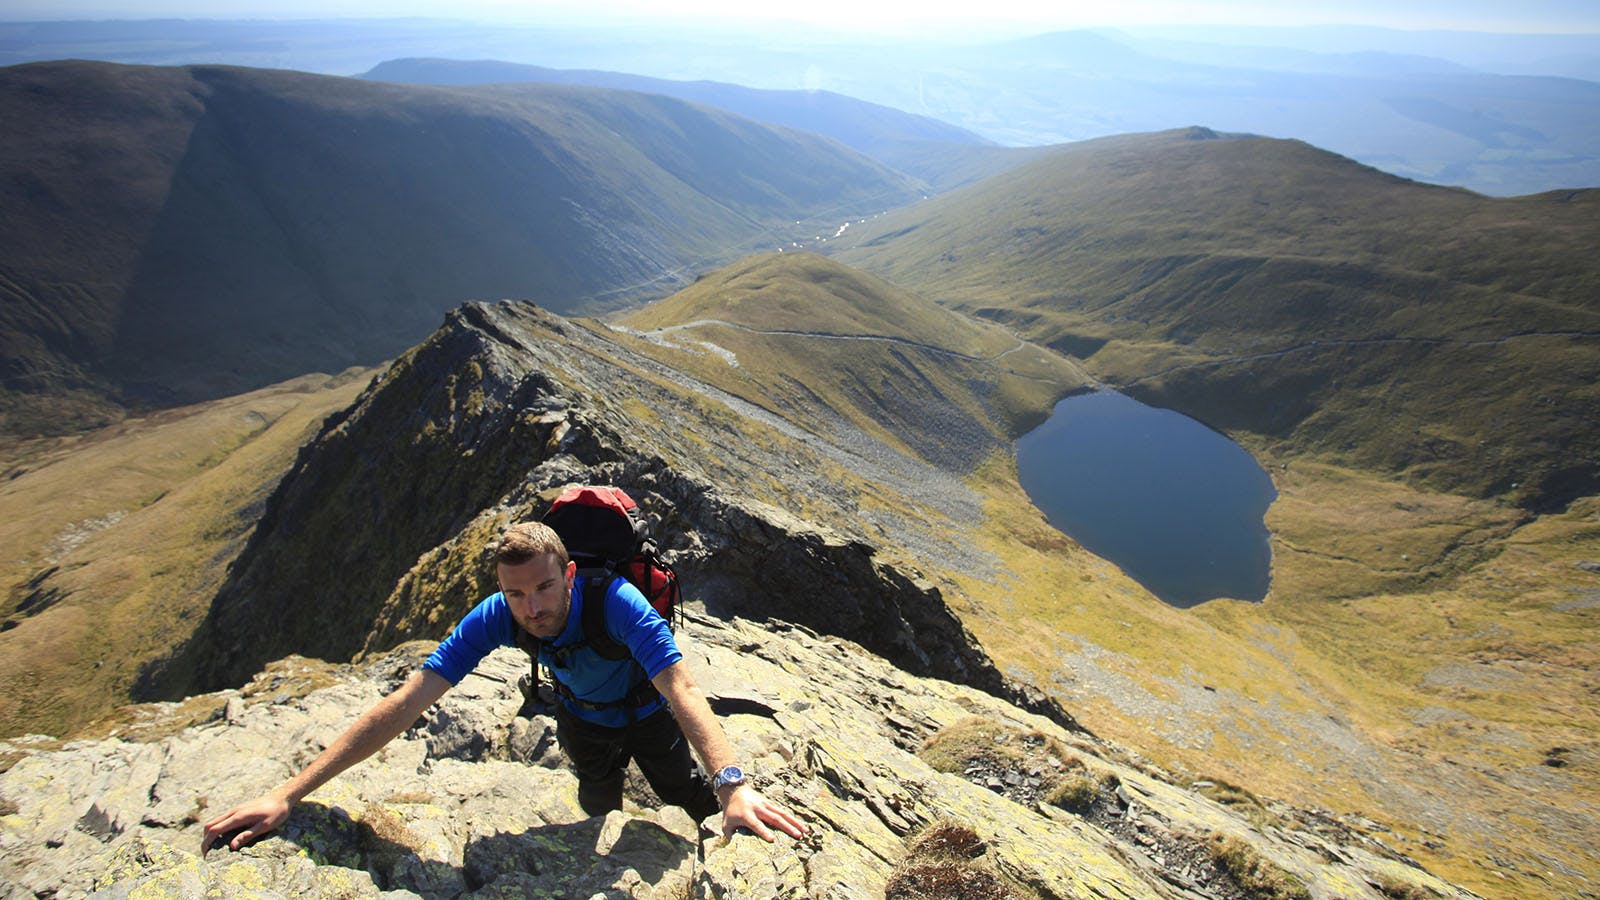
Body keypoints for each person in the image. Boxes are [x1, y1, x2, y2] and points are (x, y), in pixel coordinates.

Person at [202, 521, 807, 854]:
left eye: (544, 588)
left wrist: (734, 785)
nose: (532, 608)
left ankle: (724, 821)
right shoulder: (496, 615)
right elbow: (405, 703)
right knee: (597, 808)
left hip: (648, 715)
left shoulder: (617, 602)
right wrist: (288, 793)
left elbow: (679, 687)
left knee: (683, 790)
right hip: (582, 720)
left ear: (568, 574)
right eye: (515, 594)